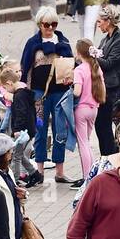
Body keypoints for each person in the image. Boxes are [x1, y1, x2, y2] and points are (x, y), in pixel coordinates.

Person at [20, 11, 75, 181]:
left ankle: (59, 171)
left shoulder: (63, 42)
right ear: (40, 25)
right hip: (39, 94)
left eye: (54, 24)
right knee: (40, 130)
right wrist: (26, 91)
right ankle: (40, 171)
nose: (50, 28)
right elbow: (26, 67)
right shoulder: (32, 43)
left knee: (60, 130)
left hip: (60, 93)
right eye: (46, 24)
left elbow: (71, 65)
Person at [94, 6, 120, 155]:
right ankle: (106, 156)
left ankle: (110, 156)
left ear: (108, 21)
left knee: (106, 126)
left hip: (113, 89)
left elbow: (108, 63)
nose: (98, 25)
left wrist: (94, 55)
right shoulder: (105, 39)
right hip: (103, 87)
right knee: (100, 126)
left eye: (99, 21)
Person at [71, 38, 104, 184]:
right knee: (87, 142)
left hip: (81, 109)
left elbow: (77, 92)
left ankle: (87, 177)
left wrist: (71, 88)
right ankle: (92, 173)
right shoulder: (96, 68)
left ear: (79, 53)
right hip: (94, 108)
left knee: (83, 143)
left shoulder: (79, 70)